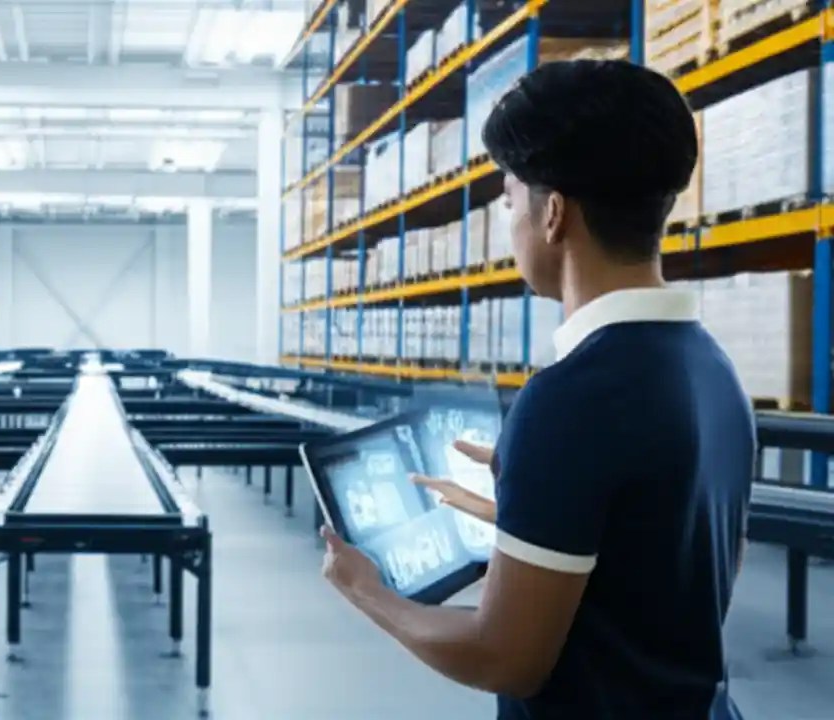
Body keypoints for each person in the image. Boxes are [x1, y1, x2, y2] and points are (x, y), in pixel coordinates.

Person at [320, 59, 754, 719]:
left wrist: (369, 591)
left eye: (508, 200)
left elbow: (505, 658)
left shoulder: (572, 397)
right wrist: (537, 514)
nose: (510, 223)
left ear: (553, 215)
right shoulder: (711, 368)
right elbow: (681, 570)